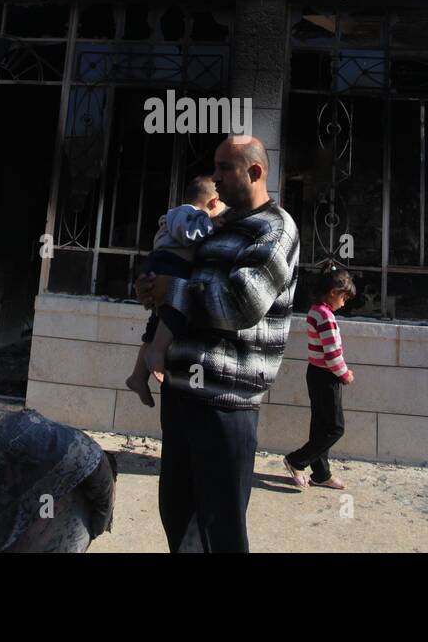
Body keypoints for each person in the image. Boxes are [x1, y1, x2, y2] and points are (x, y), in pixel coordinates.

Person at [135, 134, 299, 552]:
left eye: (226, 168)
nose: (217, 178)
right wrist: (151, 288)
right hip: (180, 393)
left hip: (225, 402)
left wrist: (172, 290)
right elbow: (183, 286)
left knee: (221, 526)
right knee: (179, 517)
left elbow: (239, 305)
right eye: (216, 167)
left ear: (255, 171)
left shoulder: (275, 230)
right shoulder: (213, 228)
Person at [124, 175, 228, 407]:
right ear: (213, 201)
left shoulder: (190, 214)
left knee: (156, 323)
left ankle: (137, 376)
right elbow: (185, 233)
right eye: (221, 206)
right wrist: (210, 225)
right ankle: (157, 353)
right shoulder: (186, 212)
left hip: (168, 265)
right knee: (176, 310)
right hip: (170, 265)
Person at [284, 266, 357, 490]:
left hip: (316, 373)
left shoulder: (315, 310)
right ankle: (297, 460)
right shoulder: (326, 317)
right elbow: (333, 354)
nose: (343, 303)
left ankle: (321, 473)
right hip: (327, 376)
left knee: (320, 426)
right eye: (344, 297)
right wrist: (345, 374)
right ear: (333, 292)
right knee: (335, 428)